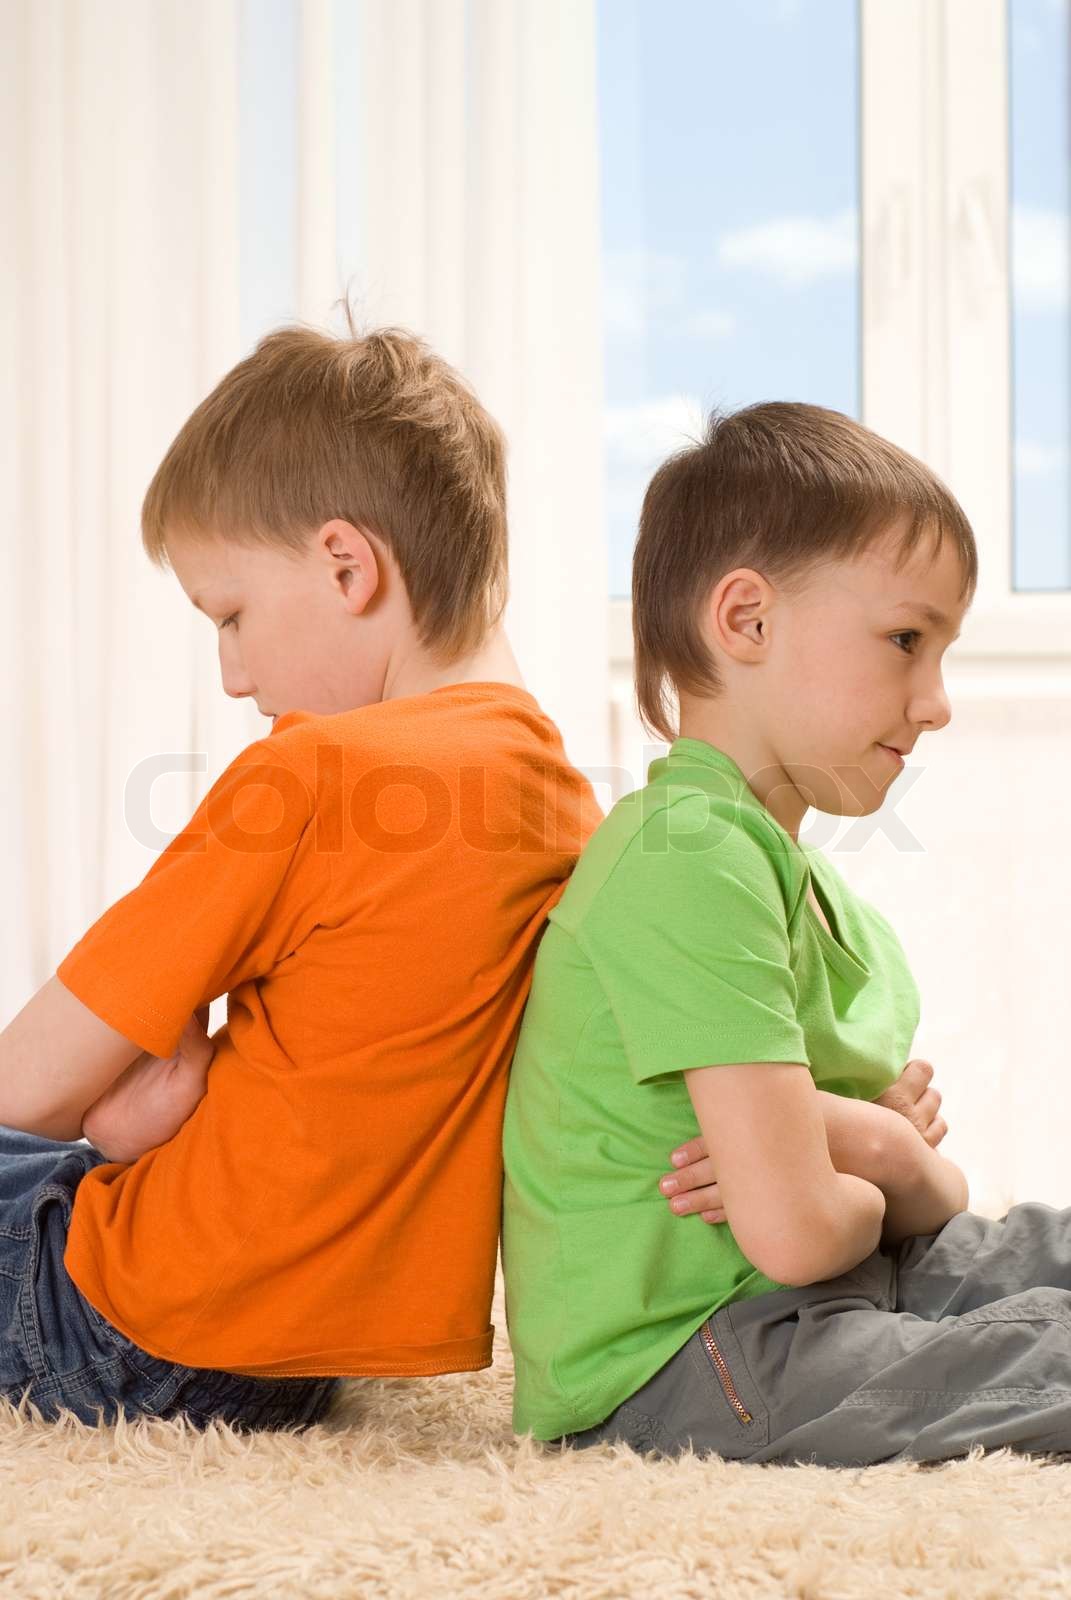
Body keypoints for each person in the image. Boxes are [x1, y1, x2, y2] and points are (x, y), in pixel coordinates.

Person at [0, 311, 601, 1432]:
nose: (234, 674)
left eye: (231, 615)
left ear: (345, 564)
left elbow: (25, 1088)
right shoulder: (568, 805)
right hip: (300, 1363)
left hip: (134, 1318)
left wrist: (108, 1118)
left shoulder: (317, 774)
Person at [503, 399, 1071, 1469]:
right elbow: (804, 1229)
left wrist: (861, 1150)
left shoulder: (785, 873)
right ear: (747, 621)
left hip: (817, 1290)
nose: (938, 701)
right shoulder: (685, 857)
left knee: (1042, 1250)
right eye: (906, 639)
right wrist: (869, 1147)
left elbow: (930, 1203)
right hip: (691, 1355)